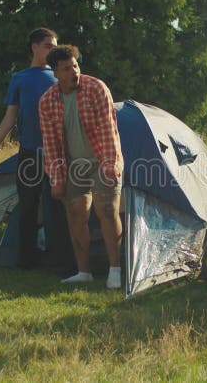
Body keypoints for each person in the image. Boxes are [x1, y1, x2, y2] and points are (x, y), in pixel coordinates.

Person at [0, 27, 72, 271]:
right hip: (28, 153)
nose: (53, 50)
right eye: (48, 45)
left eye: (55, 46)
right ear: (34, 47)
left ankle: (61, 260)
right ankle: (27, 259)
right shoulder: (20, 78)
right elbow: (9, 119)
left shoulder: (60, 75)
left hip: (57, 153)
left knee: (58, 205)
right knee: (28, 207)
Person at [39, 45, 125, 289]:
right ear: (55, 73)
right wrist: (56, 179)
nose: (74, 72)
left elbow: (108, 130)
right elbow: (51, 143)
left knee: (107, 210)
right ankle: (83, 271)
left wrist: (109, 167)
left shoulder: (96, 88)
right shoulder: (47, 101)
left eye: (75, 66)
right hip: (73, 164)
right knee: (76, 215)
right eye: (66, 69)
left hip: (102, 159)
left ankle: (115, 270)